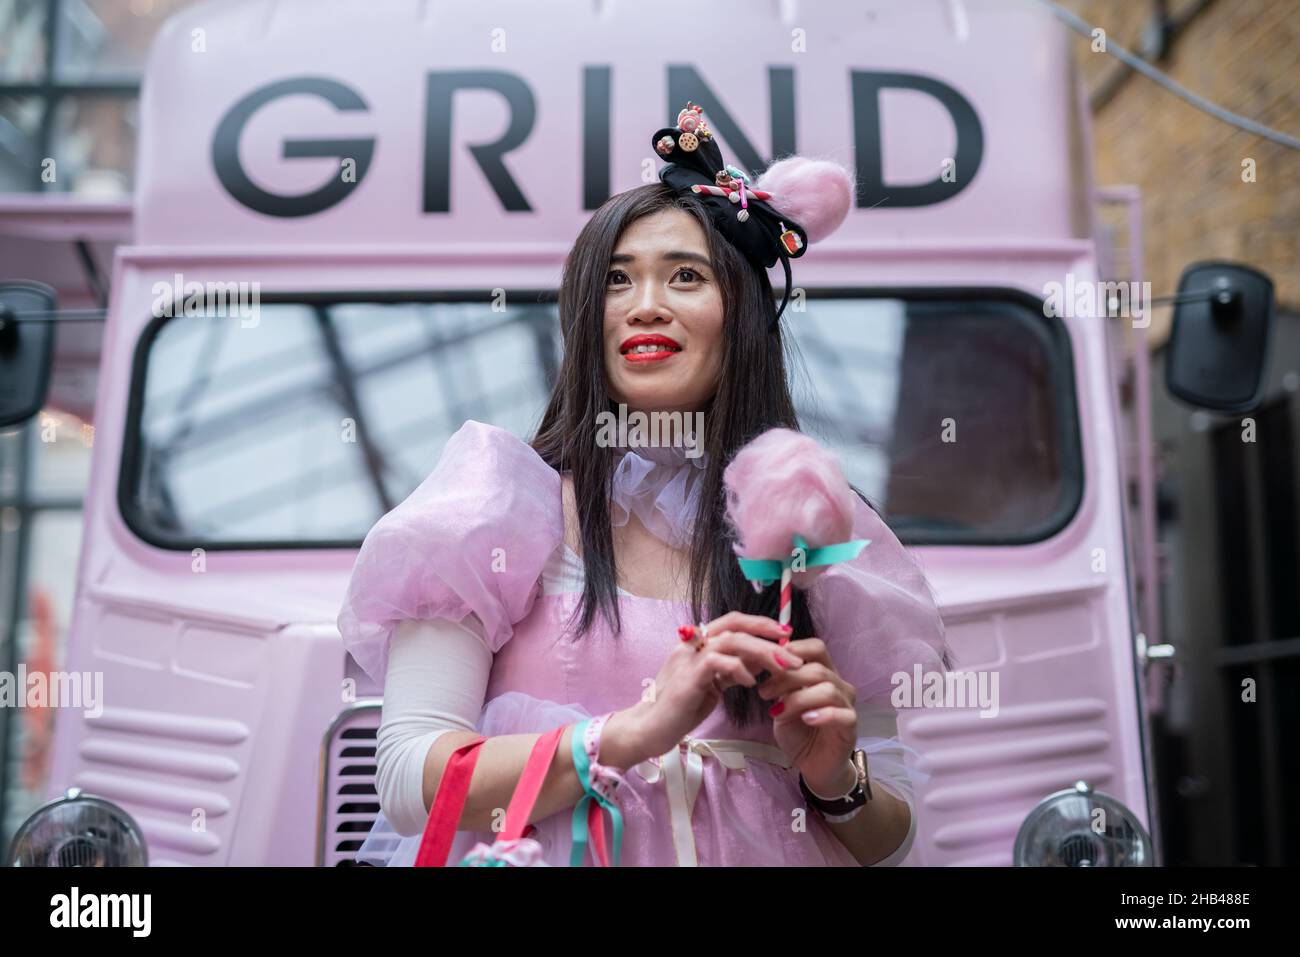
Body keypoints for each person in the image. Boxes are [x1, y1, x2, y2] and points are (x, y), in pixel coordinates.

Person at [336, 103, 952, 866]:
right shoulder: (495, 513)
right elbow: (406, 778)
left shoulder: (815, 540)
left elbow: (895, 843)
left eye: (685, 276)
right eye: (616, 280)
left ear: (744, 315)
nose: (644, 304)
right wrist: (625, 734)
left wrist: (835, 778)